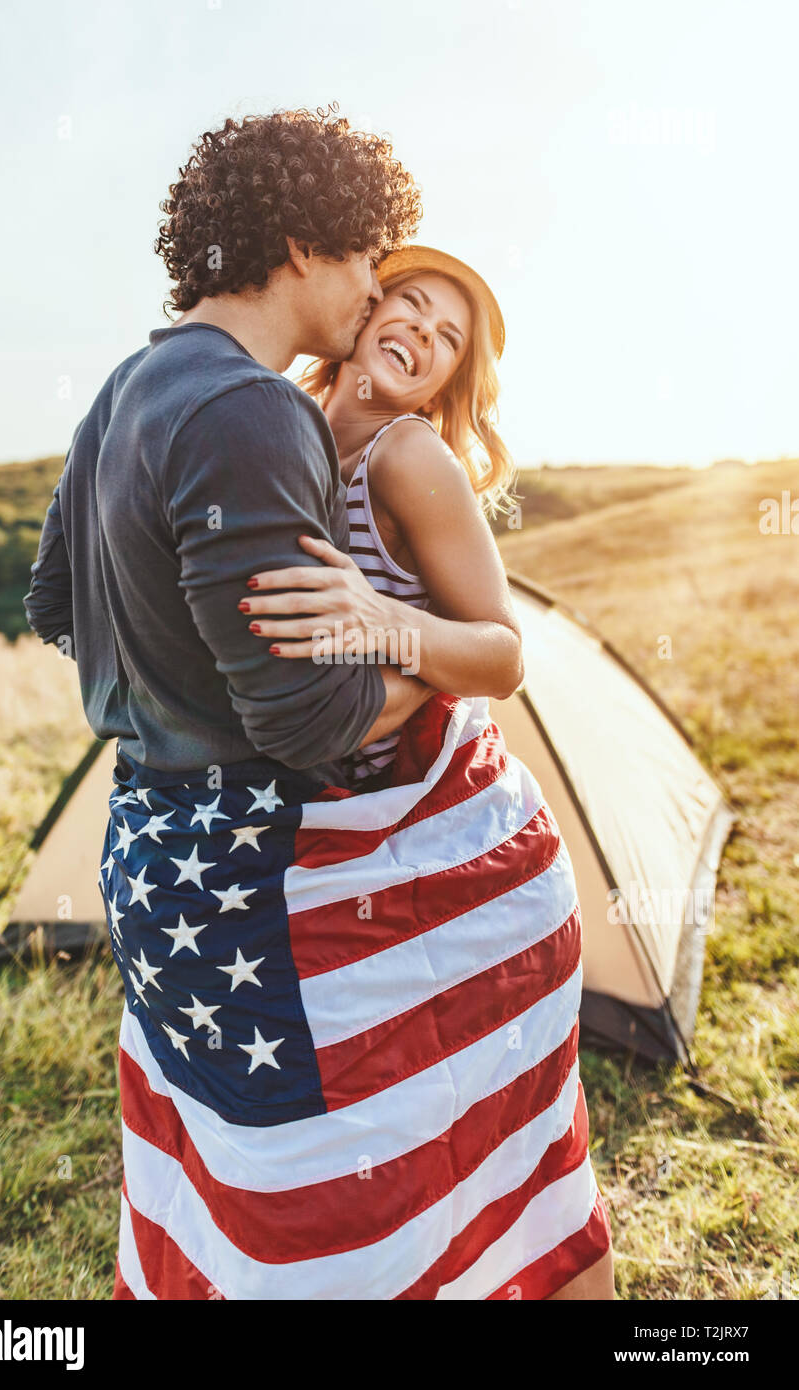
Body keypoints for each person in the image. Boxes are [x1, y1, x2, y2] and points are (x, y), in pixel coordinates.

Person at [237, 244, 616, 1299]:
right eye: (407, 300)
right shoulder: (275, 425)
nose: (420, 331)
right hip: (311, 837)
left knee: (514, 1158)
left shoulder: (407, 458)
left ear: (449, 380)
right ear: (361, 309)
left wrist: (382, 621)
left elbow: (501, 651)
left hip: (445, 849)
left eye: (447, 336)